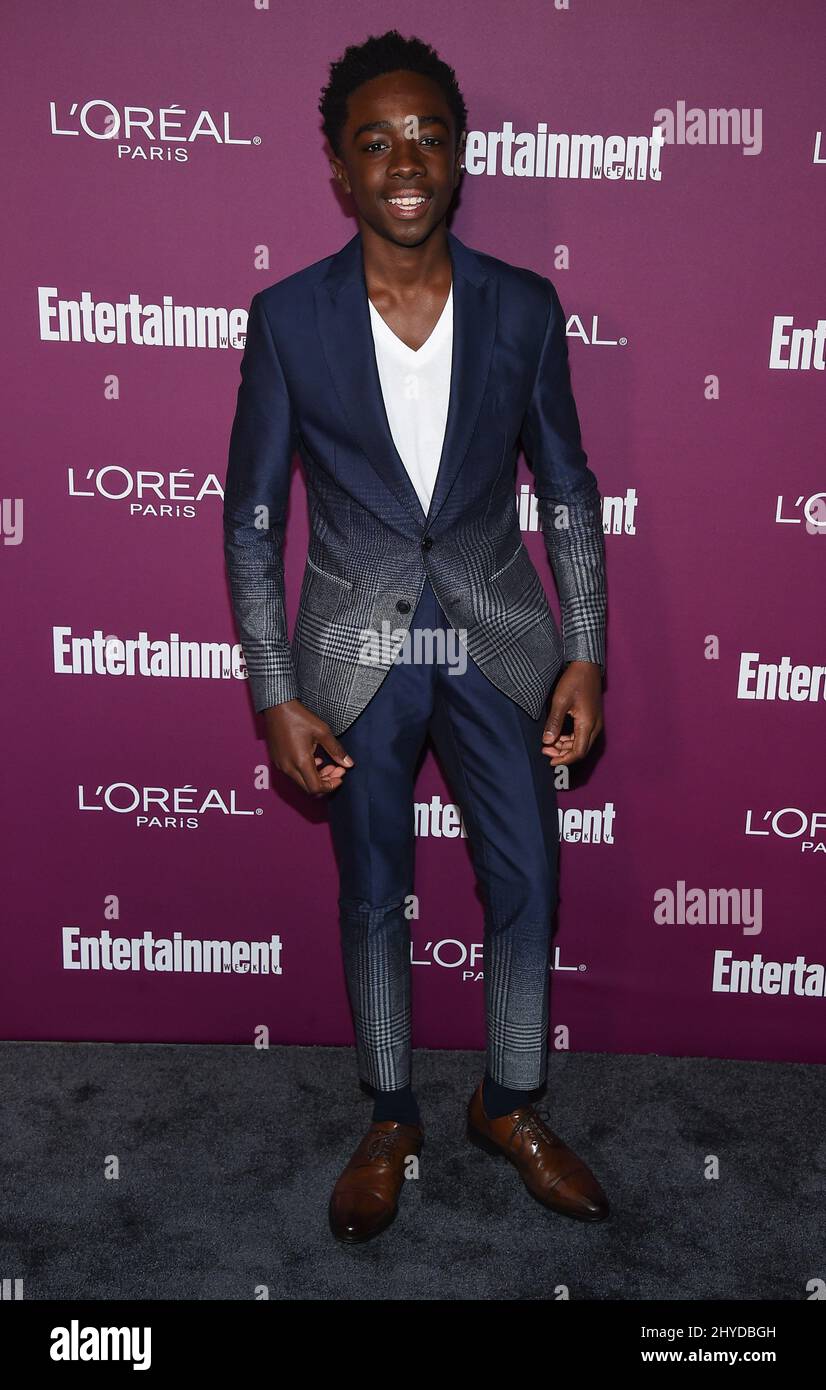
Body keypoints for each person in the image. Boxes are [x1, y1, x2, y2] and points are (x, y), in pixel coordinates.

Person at [223, 29, 609, 1244]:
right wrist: (274, 687)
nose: (405, 159)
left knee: (528, 884)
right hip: (353, 653)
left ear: (461, 154)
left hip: (497, 637)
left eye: (429, 134)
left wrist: (586, 647)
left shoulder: (525, 307)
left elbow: (569, 487)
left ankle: (509, 1100)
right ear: (340, 167)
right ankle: (391, 1113)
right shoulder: (286, 317)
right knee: (374, 893)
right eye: (376, 139)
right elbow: (251, 516)